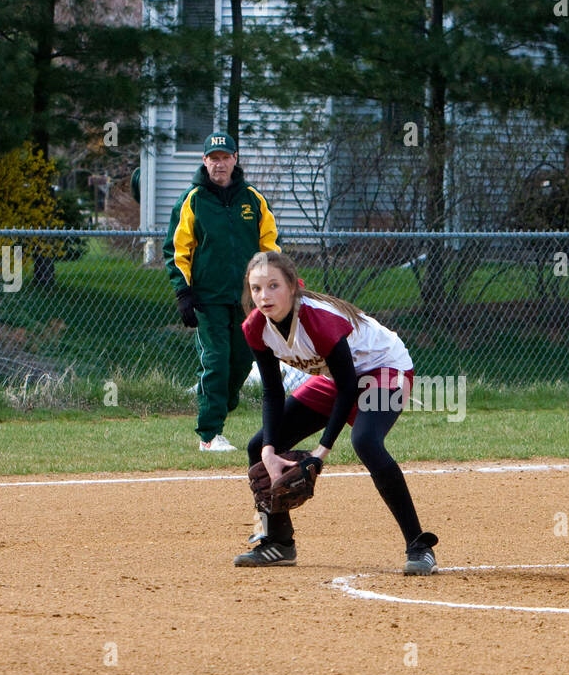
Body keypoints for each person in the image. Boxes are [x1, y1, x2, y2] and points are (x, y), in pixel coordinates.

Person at [233, 250, 439, 575]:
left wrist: (320, 453)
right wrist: (270, 450)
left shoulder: (317, 320)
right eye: (256, 288)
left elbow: (348, 389)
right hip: (335, 377)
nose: (264, 296)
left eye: (274, 286)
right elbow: (273, 391)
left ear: (292, 287)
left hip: (383, 368)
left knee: (367, 441)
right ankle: (278, 543)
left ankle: (419, 546)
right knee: (258, 447)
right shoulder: (256, 327)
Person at [164, 132, 279, 452]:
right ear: (204, 161)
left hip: (247, 298)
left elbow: (270, 248)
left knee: (242, 361)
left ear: (235, 159)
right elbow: (176, 251)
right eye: (213, 158)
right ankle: (210, 435)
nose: (219, 164)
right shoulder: (193, 199)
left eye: (225, 157)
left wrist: (274, 287)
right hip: (208, 297)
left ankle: (221, 406)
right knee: (216, 362)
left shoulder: (253, 199)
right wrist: (183, 292)